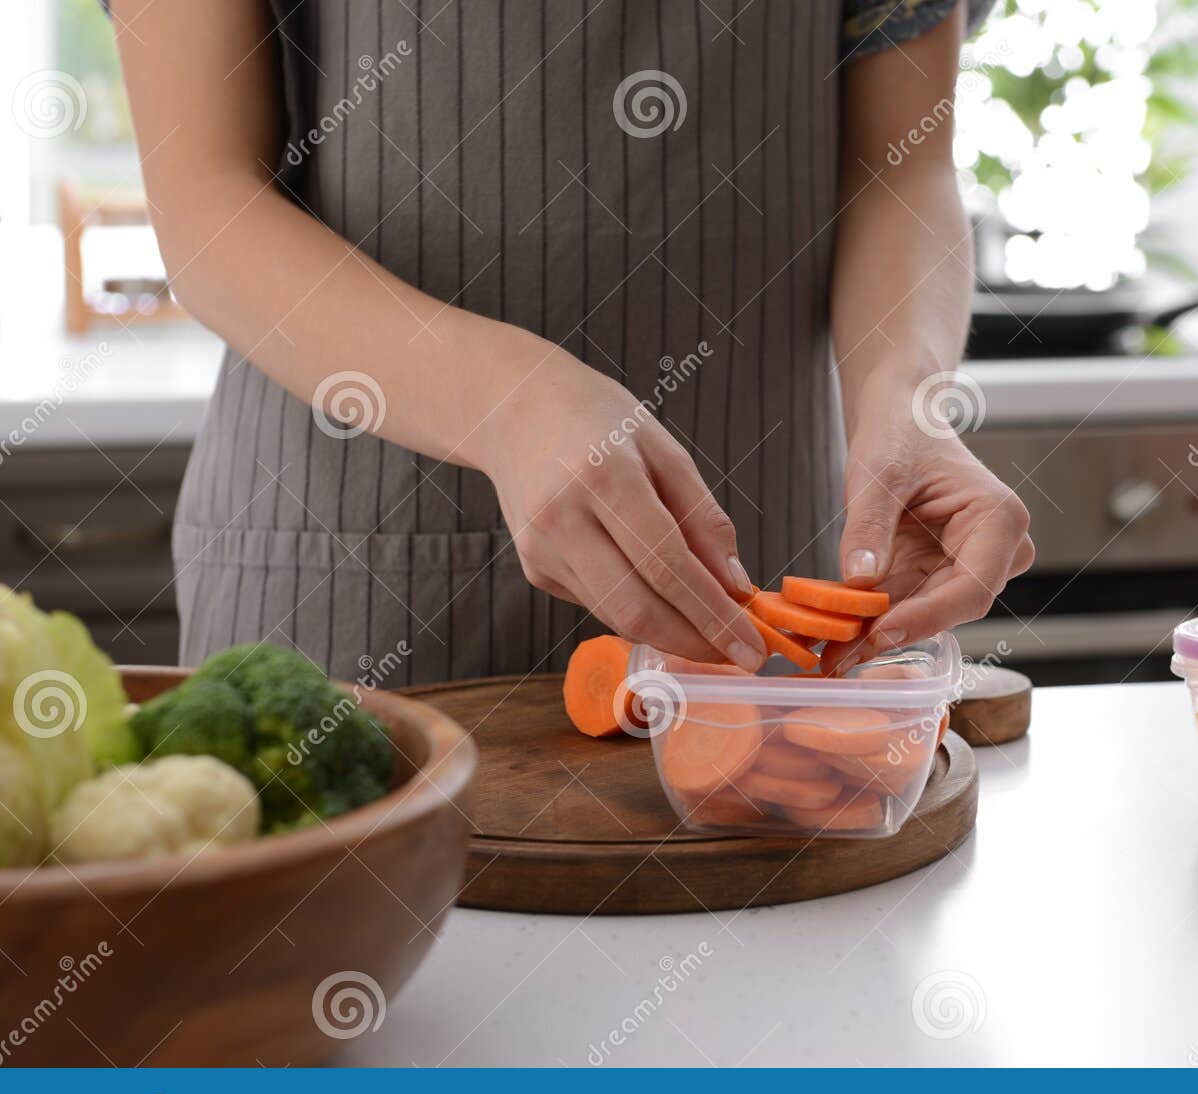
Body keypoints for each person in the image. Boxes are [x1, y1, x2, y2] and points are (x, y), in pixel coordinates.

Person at [108, 0, 1033, 684]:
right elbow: (206, 207)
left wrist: (906, 399)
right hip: (345, 581)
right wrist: (508, 405)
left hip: (762, 586)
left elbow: (900, 170)